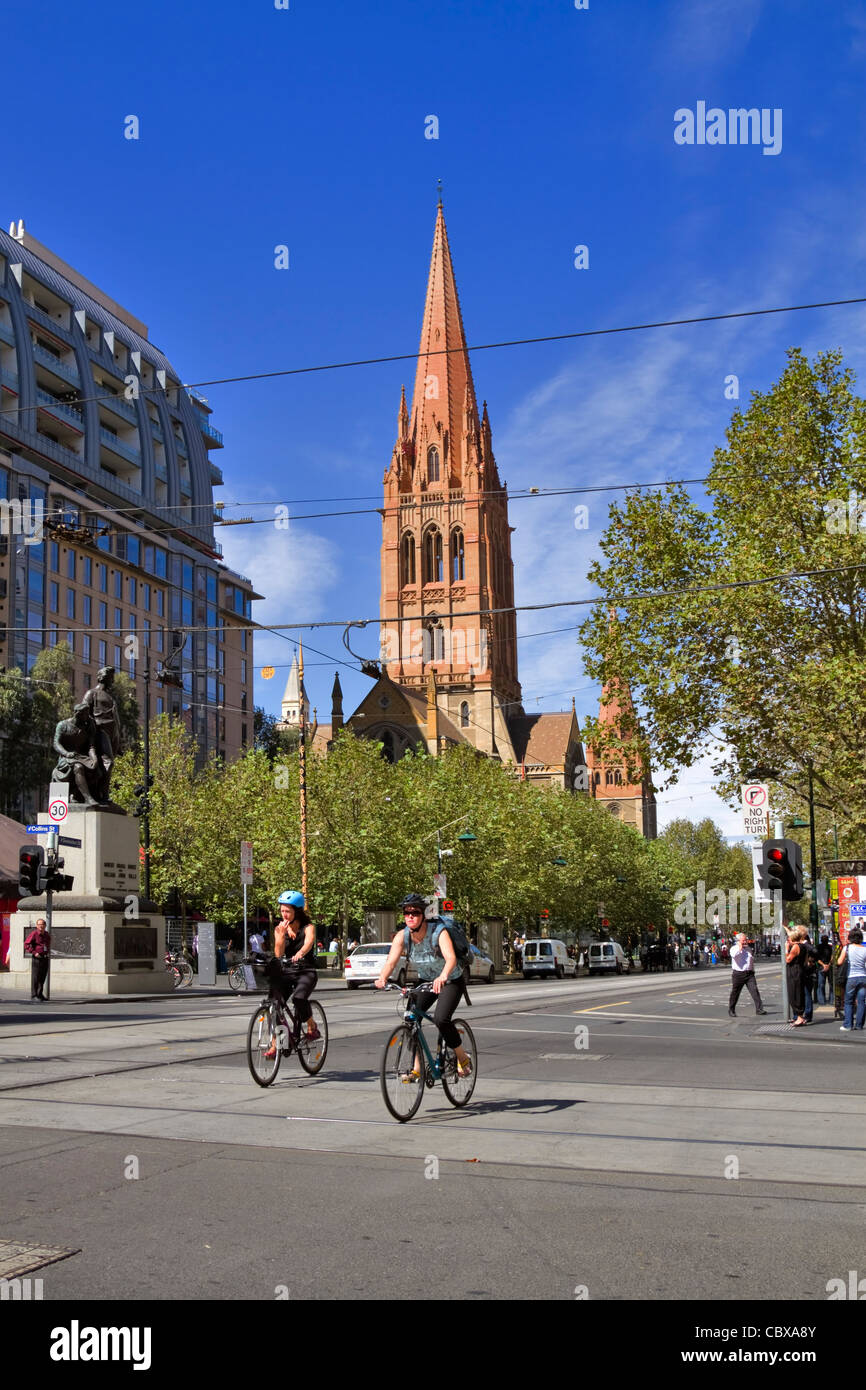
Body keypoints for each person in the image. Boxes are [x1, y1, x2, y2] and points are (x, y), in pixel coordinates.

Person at [375, 892, 471, 1080]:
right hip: (426, 981)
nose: (410, 916)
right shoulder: (402, 936)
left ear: (423, 915)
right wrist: (382, 978)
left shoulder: (438, 932)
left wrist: (443, 976)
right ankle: (417, 1068)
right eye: (406, 913)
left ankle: (462, 1057)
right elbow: (391, 962)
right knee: (411, 1019)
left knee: (441, 1019)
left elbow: (451, 958)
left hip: (451, 979)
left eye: (415, 913)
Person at [262, 891, 321, 1058]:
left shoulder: (308, 927)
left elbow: (309, 943)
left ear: (297, 911)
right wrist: (281, 936)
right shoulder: (279, 929)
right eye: (282, 911)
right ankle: (279, 1044)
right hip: (287, 971)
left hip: (306, 971)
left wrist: (300, 953)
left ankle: (312, 1026)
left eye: (287, 911)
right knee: (274, 1005)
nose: (284, 914)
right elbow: (278, 954)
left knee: (299, 998)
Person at [728, 932, 766, 1017]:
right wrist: (740, 947)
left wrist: (752, 970)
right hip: (738, 974)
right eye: (743, 940)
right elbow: (734, 955)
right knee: (735, 993)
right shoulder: (734, 948)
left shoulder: (749, 949)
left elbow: (750, 960)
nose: (745, 942)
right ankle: (731, 1010)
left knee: (754, 991)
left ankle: (759, 1009)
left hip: (749, 974)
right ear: (738, 941)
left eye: (746, 940)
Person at [838, 928, 866, 1032]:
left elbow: (839, 962)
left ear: (850, 937)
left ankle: (848, 1025)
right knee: (861, 1001)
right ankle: (859, 1025)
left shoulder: (847, 948)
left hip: (851, 977)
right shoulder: (865, 949)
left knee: (849, 1001)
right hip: (863, 977)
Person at [785, 926, 808, 1027]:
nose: (788, 939)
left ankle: (799, 1017)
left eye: (789, 938)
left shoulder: (796, 947)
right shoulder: (803, 946)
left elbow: (788, 959)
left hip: (795, 971)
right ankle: (800, 1016)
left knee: (794, 994)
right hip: (799, 970)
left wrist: (786, 949)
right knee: (798, 993)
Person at [24, 918, 51, 1001]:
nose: (41, 926)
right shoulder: (34, 934)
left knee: (42, 977)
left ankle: (40, 994)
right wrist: (34, 952)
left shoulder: (46, 934)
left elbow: (48, 944)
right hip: (37, 958)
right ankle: (34, 995)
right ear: (36, 926)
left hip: (45, 957)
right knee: (36, 977)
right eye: (39, 924)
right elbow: (26, 944)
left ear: (45, 925)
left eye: (42, 924)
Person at [816, 933, 833, 1004]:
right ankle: (831, 1000)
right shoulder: (830, 947)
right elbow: (832, 956)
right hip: (827, 966)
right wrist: (828, 964)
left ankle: (822, 1001)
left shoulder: (818, 947)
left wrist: (824, 965)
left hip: (822, 966)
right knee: (830, 984)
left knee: (821, 985)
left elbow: (816, 957)